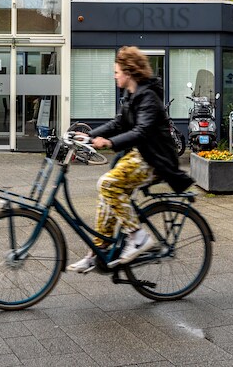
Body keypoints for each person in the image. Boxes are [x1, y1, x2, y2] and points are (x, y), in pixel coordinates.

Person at [67, 46, 195, 273]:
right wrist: (91, 135)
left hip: (156, 160)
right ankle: (98, 252)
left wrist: (110, 143)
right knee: (107, 191)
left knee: (107, 184)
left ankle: (137, 237)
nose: (115, 76)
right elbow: (118, 123)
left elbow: (142, 132)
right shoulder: (132, 96)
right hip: (141, 155)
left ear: (128, 72)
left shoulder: (148, 97)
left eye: (117, 72)